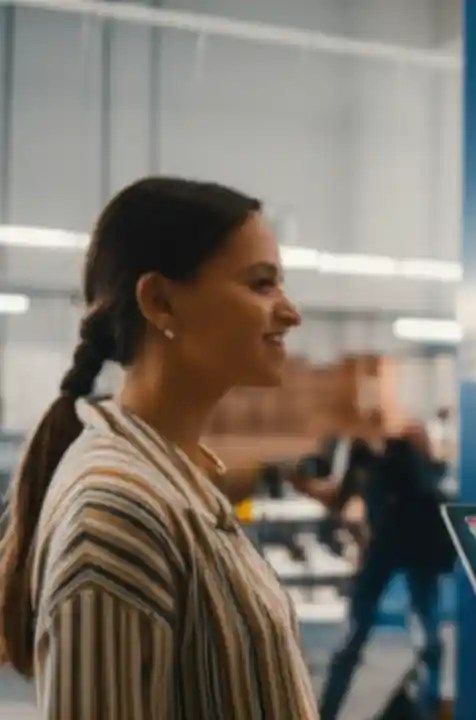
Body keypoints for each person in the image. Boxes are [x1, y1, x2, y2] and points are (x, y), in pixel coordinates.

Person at [0, 176, 314, 717]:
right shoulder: (117, 514)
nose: (290, 312)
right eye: (261, 285)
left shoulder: (175, 483)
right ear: (161, 301)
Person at [295, 419, 455, 720]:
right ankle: (426, 710)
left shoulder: (372, 459)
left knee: (361, 641)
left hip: (394, 551)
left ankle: (327, 713)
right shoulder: (376, 458)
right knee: (425, 641)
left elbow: (335, 498)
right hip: (409, 552)